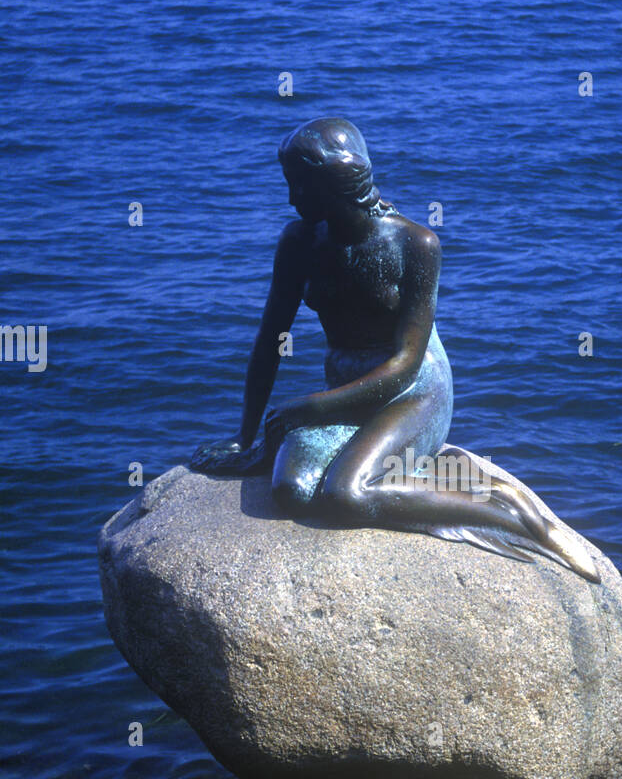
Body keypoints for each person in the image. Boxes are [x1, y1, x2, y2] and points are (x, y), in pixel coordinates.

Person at [191, 118, 599, 582]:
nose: (290, 199)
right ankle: (420, 471)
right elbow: (269, 341)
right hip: (347, 384)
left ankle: (520, 518)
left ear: (333, 183)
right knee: (293, 490)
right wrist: (246, 438)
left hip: (412, 389)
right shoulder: (299, 242)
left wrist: (308, 408)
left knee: (347, 493)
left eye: (299, 185)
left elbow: (404, 365)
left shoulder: (415, 244)